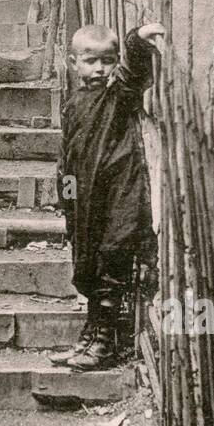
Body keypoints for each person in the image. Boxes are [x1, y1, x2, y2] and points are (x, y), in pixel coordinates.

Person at [52, 21, 165, 370]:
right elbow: (68, 154)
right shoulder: (73, 105)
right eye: (90, 61)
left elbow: (133, 74)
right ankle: (90, 335)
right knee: (87, 260)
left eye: (108, 60)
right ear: (73, 63)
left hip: (119, 190)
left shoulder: (116, 95)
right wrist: (67, 197)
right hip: (86, 196)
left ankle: (104, 343)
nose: (99, 69)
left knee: (111, 259)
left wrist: (136, 40)